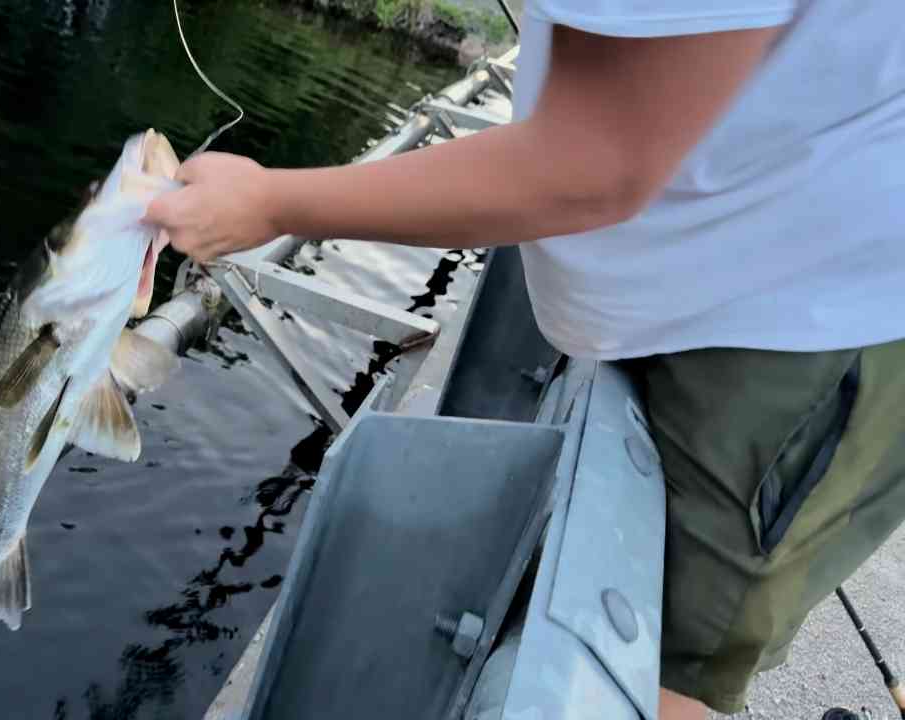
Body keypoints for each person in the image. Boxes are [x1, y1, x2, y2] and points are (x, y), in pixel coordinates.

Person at [143, 1, 905, 718]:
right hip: (708, 279)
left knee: (663, 665)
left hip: (803, 323)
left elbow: (596, 158)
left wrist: (270, 203)